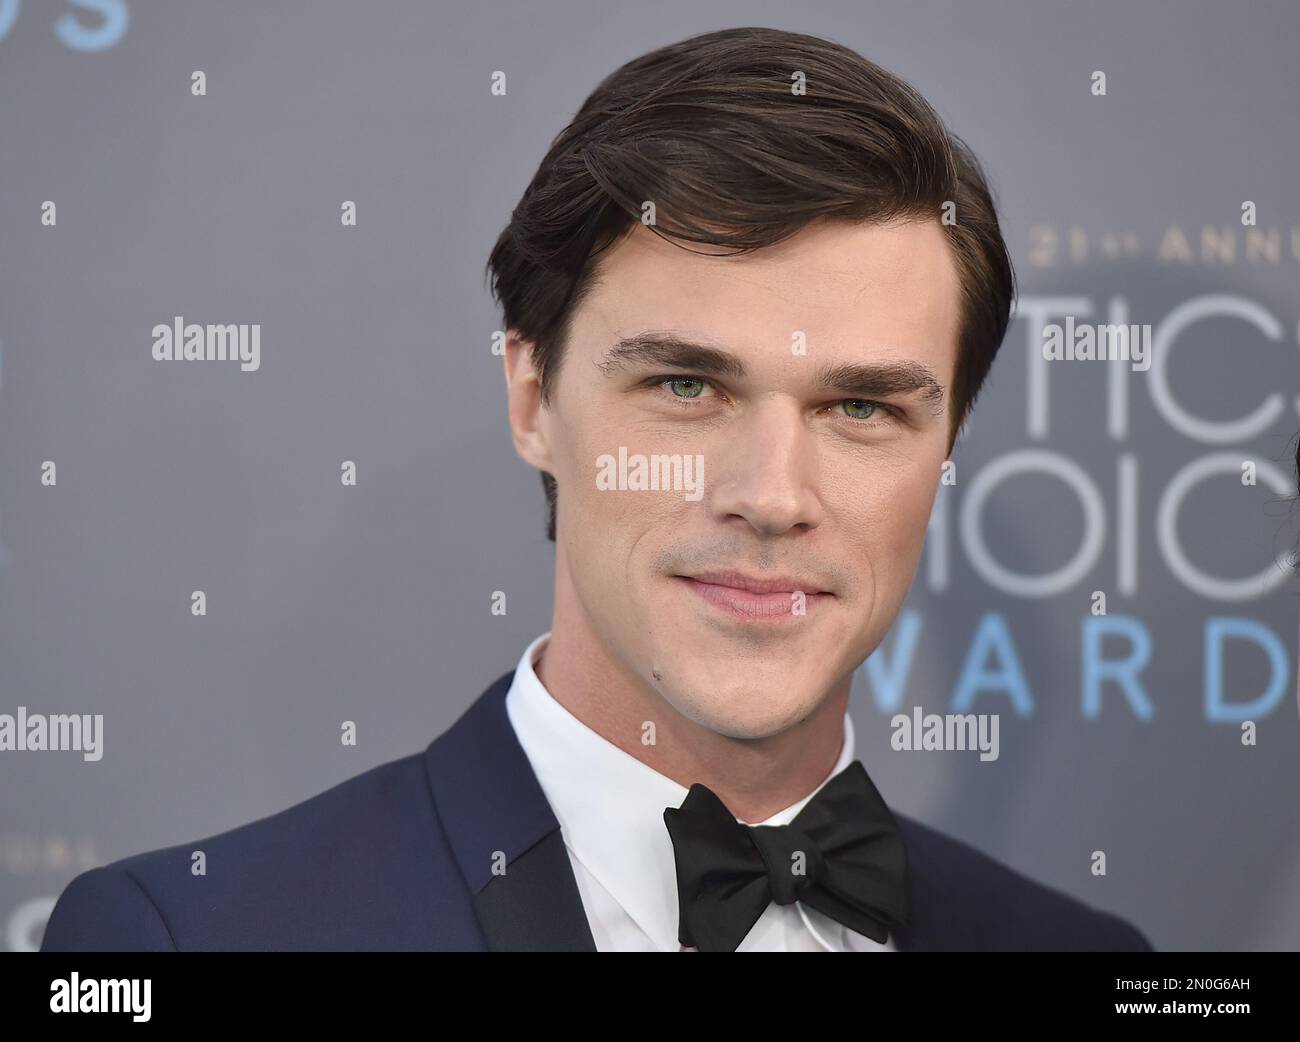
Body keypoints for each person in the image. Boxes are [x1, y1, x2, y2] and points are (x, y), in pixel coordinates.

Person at [42, 26, 1152, 952]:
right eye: (687, 384)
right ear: (533, 399)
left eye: (861, 409)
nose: (771, 496)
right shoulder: (192, 934)